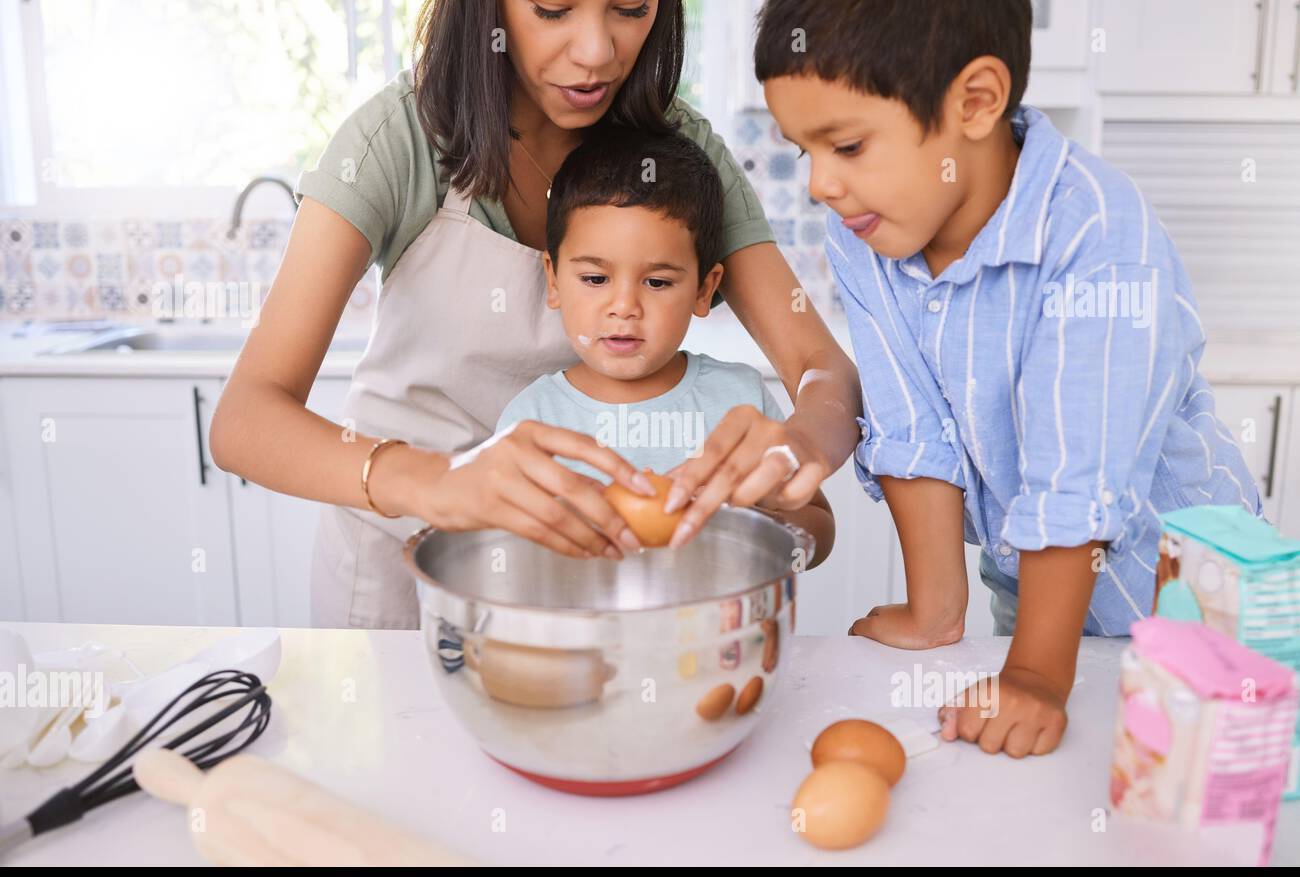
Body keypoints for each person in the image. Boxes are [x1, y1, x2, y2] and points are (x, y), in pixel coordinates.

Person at [209, 1, 860, 629]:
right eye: (553, 10)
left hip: (576, 587)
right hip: (401, 564)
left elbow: (821, 368)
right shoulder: (398, 139)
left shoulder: (679, 156)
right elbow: (244, 418)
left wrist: (799, 442)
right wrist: (437, 480)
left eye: (632, 8)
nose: (597, 52)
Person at [755, 0, 1259, 756]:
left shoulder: (1095, 235)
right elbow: (912, 425)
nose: (822, 184)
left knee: (1184, 807)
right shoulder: (866, 231)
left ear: (977, 101)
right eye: (805, 153)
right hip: (1037, 607)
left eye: (849, 146)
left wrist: (1034, 673)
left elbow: (1074, 474)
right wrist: (937, 613)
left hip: (1197, 616)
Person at [496, 129, 835, 560]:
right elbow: (504, 548)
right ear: (553, 278)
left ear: (703, 289)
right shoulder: (531, 419)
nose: (624, 307)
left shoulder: (739, 401)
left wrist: (752, 515)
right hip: (581, 627)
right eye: (595, 279)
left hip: (712, 627)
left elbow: (819, 530)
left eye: (657, 282)